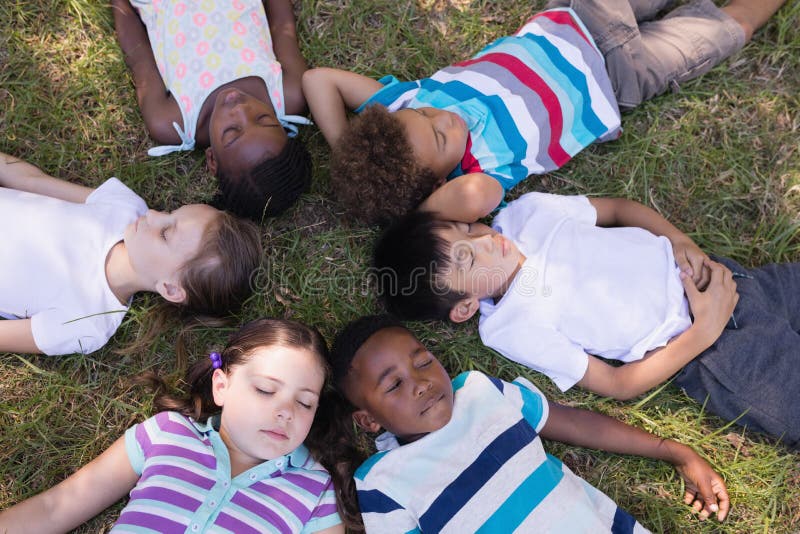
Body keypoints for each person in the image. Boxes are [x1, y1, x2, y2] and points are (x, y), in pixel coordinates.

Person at [373, 191, 800, 447]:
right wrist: (705, 331)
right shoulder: (509, 326)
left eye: (465, 227)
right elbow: (618, 384)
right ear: (465, 306)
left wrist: (680, 240)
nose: (484, 237)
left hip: (724, 276)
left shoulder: (526, 214)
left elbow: (617, 209)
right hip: (717, 352)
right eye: (468, 255)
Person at [303, 0, 785, 225]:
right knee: (721, 32)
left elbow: (317, 80)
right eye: (442, 139)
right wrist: (412, 213)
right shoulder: (482, 174)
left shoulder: (402, 106)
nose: (445, 120)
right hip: (622, 78)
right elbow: (469, 202)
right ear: (437, 184)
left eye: (428, 115)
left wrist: (351, 148)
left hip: (580, 15)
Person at [328, 314, 730, 532]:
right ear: (368, 420)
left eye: (422, 361)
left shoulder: (480, 392)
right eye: (395, 384)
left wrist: (672, 450)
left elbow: (573, 423)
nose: (421, 383)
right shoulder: (381, 481)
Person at [0, 318, 357, 533]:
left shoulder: (313, 490)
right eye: (265, 390)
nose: (286, 412)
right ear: (222, 386)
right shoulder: (168, 433)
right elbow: (56, 507)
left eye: (305, 401)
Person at [0, 151, 262, 356]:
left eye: (165, 233)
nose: (154, 215)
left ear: (170, 289)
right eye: (171, 213)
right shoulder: (126, 207)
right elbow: (33, 182)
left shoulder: (89, 322)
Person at [112, 0, 312, 220]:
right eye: (264, 118)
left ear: (212, 159)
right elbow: (283, 23)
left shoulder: (172, 122)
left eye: (232, 131)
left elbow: (139, 58)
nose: (240, 109)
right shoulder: (289, 93)